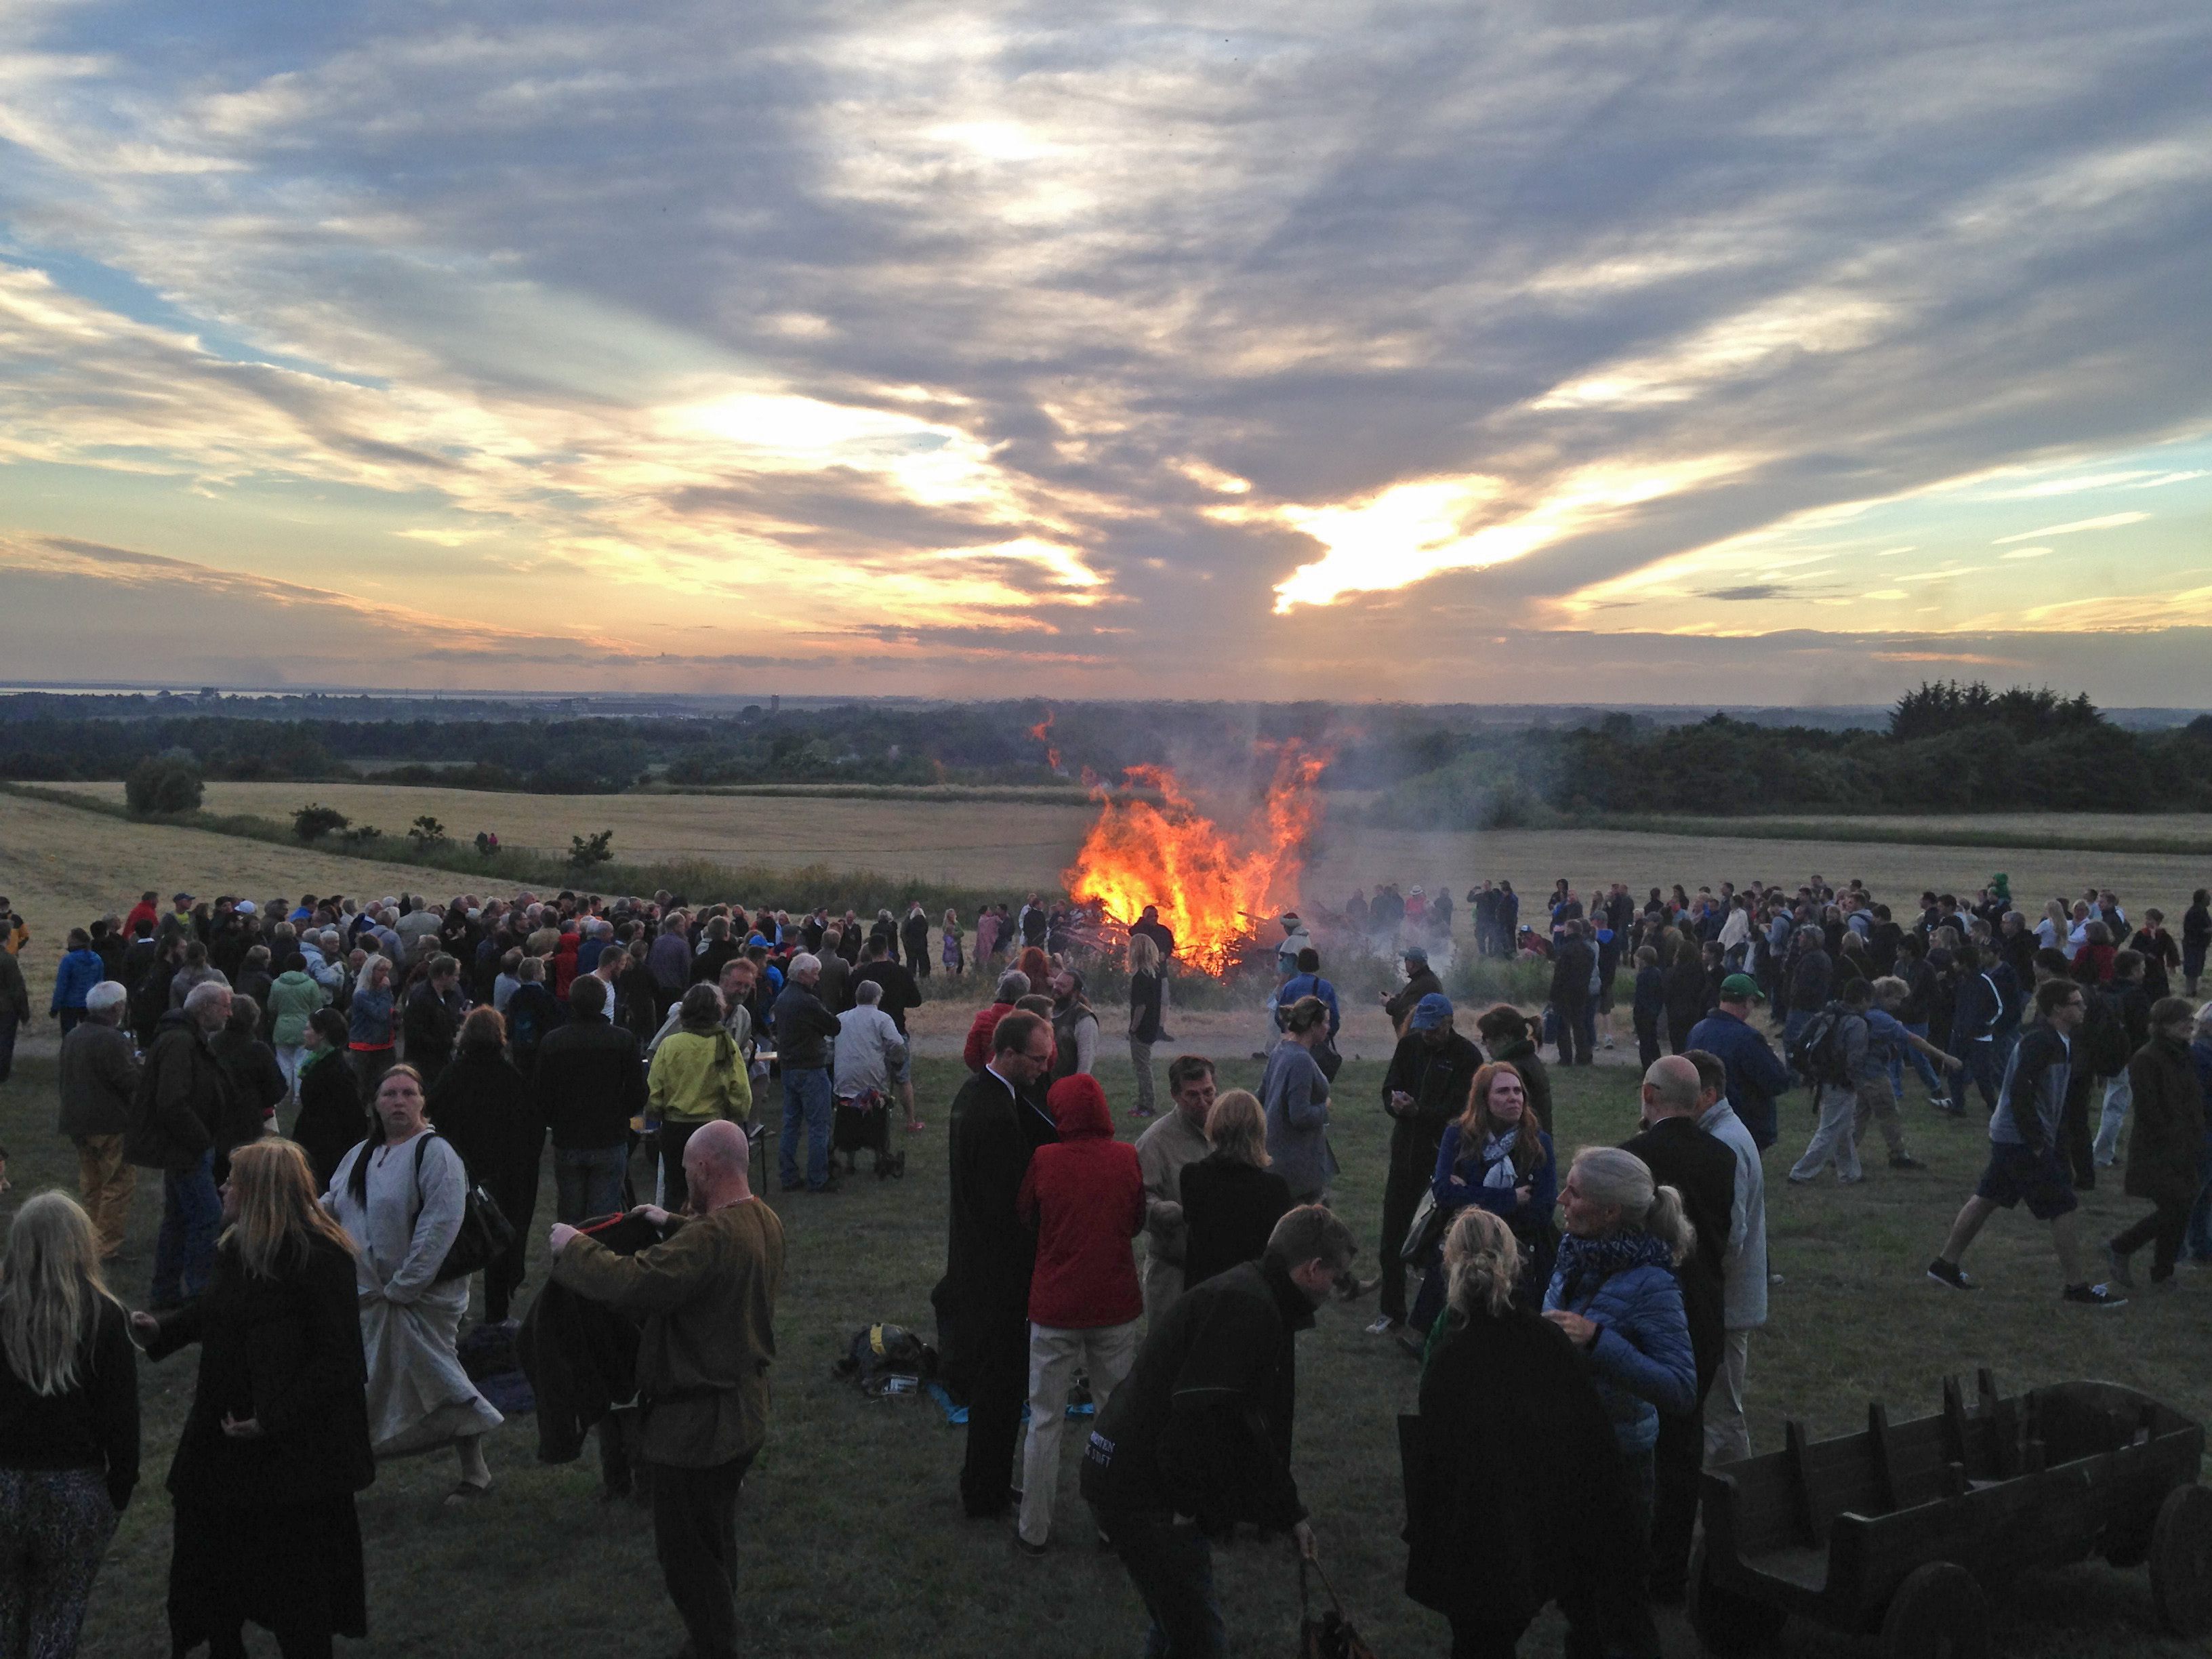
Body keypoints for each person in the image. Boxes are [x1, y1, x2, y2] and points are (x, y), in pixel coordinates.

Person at [549, 1119, 783, 1659]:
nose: (684, 1177)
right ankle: (714, 1630)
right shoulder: (763, 1219)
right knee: (715, 1534)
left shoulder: (709, 1238)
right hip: (743, 1414)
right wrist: (671, 1220)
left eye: (685, 1170)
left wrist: (573, 1248)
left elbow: (636, 1285)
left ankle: (712, 1645)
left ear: (705, 1168)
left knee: (686, 1554)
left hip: (696, 1431)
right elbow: (714, 1252)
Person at [134, 1139, 372, 1659]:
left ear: (261, 1191)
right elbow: (216, 1311)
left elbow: (341, 1362)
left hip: (294, 1462)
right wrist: (163, 1332)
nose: (222, 1186)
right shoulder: (238, 1247)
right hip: (223, 1448)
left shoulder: (320, 1258)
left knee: (297, 1593)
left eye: (233, 1180)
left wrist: (273, 1418)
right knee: (216, 1580)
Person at [1080, 1206, 1349, 1659]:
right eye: (1335, 1278)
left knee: (1176, 1627)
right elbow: (1200, 1417)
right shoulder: (1250, 1308)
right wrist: (1187, 1505)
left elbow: (1244, 1424)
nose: (1335, 1291)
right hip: (1143, 1493)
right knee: (1201, 1642)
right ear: (1312, 1269)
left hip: (1124, 1474)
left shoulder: (1255, 1294)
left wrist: (1289, 1511)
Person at [1401, 1208, 1636, 1659]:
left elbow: (1440, 1462)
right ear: (1514, 1263)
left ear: (1450, 1262)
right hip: (1552, 1523)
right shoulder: (1548, 1341)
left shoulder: (1450, 1358)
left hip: (1485, 1539)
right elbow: (1591, 1441)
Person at [1542, 1146, 1697, 1659]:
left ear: (1611, 1212)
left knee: (1621, 1607)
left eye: (1575, 1192)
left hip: (1620, 1465)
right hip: (1567, 1451)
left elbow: (1680, 1388)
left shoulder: (1652, 1282)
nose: (1562, 1198)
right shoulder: (1573, 1253)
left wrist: (1597, 1340)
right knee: (1577, 1600)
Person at [327, 1066, 503, 1492]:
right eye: (389, 1094)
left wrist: (406, 1287)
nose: (399, 1101)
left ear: (423, 1102)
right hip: (371, 1297)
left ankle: (473, 1472)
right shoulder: (360, 1154)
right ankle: (355, 1461)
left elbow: (439, 1226)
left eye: (409, 1093)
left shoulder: (435, 1153)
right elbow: (333, 1204)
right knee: (372, 1382)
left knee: (441, 1379)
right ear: (375, 1103)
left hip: (421, 1297)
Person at [1926, 979, 2127, 1305]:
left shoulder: (2059, 1040)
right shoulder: (2042, 1042)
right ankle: (2076, 1288)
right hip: (2020, 1140)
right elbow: (2021, 1090)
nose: (2084, 1008)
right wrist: (2036, 1141)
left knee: (1986, 1198)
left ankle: (1944, 1265)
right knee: (2062, 1206)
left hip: (2013, 1137)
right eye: (2077, 1003)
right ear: (2058, 1009)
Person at [0, 1193, 138, 1659]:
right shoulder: (102, 1315)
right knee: (58, 1615)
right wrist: (118, 1490)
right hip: (73, 1485)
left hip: (3, 1482)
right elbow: (121, 1419)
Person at [935, 1010, 1059, 1520]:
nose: (1043, 1069)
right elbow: (1005, 1209)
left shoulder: (978, 1096)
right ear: (1006, 1054)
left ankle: (985, 1481)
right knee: (1001, 1390)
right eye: (1036, 1060)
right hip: (997, 1277)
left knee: (999, 1387)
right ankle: (985, 1493)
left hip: (977, 1265)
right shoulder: (995, 1117)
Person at [1620, 1057, 1735, 1605]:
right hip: (1705, 1310)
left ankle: (1629, 1560)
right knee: (1685, 1445)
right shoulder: (1722, 1157)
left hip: (1649, 1313)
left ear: (1648, 1093)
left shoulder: (1633, 1157)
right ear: (1699, 1100)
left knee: (1639, 1438)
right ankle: (1670, 1573)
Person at [1014, 1073, 1145, 1555]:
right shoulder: (1126, 1158)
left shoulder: (1045, 1159)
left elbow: (1025, 1214)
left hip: (1055, 1305)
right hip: (1113, 1304)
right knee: (1114, 1418)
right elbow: (1136, 1221)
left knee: (1045, 1418)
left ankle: (1034, 1528)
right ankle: (1115, 1523)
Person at [1414, 1061, 1556, 1334]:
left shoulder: (1538, 1142)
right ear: (1484, 1099)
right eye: (1503, 1091)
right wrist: (1511, 1198)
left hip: (1518, 1240)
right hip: (1465, 1237)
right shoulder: (1457, 1135)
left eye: (1518, 1091)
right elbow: (1443, 1194)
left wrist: (1468, 1193)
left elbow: (1542, 1210)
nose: (1513, 1098)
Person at [1375, 993, 1483, 1335]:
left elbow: (1463, 1110)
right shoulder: (1409, 1047)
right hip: (1404, 1155)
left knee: (1442, 1242)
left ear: (1449, 1021)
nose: (1428, 1035)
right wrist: (1396, 1103)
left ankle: (1443, 1315)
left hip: (1443, 1161)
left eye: (1434, 1029)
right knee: (1392, 1235)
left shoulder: (1467, 1057)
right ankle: (1390, 1311)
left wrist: (1421, 1112)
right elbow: (1390, 1085)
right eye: (1423, 1028)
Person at [426, 1007, 541, 1325]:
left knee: (452, 1239)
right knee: (498, 1242)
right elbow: (528, 1131)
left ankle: (454, 1311)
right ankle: (496, 1313)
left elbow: (431, 1116)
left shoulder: (453, 1075)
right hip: (500, 1174)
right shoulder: (510, 1078)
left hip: (459, 1169)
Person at [128, 981, 234, 1309]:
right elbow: (171, 1101)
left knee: (178, 1219)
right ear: (205, 1009)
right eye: (224, 1006)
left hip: (186, 1145)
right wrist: (202, 1140)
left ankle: (165, 1292)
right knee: (207, 1217)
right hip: (185, 1148)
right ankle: (200, 1294)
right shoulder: (180, 1041)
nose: (229, 1013)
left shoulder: (186, 1038)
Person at [1683, 1050, 1767, 1464]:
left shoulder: (1723, 1142)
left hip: (1725, 1301)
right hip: (1726, 1298)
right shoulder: (1726, 1132)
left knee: (1722, 1413)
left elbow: (1730, 1236)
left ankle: (1736, 1502)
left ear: (1708, 1094)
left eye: (1685, 1093)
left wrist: (1703, 1285)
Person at [2104, 997, 2206, 1290]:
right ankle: (2122, 1246)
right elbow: (2150, 1110)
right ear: (2161, 1026)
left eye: (2191, 1019)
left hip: (2186, 1144)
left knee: (2181, 1207)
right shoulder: (2147, 1058)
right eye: (2181, 1020)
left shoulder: (2184, 1054)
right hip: (2160, 1148)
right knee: (2178, 1206)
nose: (2189, 1024)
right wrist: (2174, 1139)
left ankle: (2162, 1273)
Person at [535, 976, 649, 1223]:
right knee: (603, 1218)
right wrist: (624, 1117)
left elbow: (542, 1094)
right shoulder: (622, 1040)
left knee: (570, 1215)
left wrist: (556, 1119)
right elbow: (637, 1093)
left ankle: (570, 1259)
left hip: (569, 1137)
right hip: (610, 1136)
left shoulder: (554, 1041)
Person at [58, 981, 140, 1261]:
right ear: (117, 1007)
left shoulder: (74, 1035)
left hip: (77, 1121)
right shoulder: (114, 1039)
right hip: (110, 1122)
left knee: (91, 1185)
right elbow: (128, 1081)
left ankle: (88, 1239)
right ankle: (105, 1247)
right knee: (117, 1185)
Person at [1179, 1089, 1293, 1290]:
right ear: (1259, 1130)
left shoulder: (1193, 1177)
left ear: (1215, 1125)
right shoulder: (1275, 1189)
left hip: (1205, 1294)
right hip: (1252, 1294)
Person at [1133, 1056, 1217, 1328]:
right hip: (1173, 1270)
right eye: (1192, 1095)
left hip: (1219, 1267)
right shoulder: (1154, 1142)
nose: (1203, 1102)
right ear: (1174, 1095)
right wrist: (1162, 1211)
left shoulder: (1227, 1130)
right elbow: (1137, 1202)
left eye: (1208, 1093)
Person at [651, 985, 750, 1214]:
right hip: (712, 1128)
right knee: (714, 1192)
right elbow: (740, 1092)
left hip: (675, 1127)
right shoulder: (725, 1045)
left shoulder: (669, 1045)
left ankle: (674, 1238)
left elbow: (655, 1089)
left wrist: (655, 1114)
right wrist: (735, 1116)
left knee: (675, 1189)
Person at [1685, 975, 1790, 1149]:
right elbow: (1777, 1081)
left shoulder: (1697, 1030)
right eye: (1753, 1002)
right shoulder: (1747, 1038)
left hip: (1701, 1120)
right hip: (1742, 1125)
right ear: (1746, 1002)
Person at [770, 953, 842, 1193]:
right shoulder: (807, 1001)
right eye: (815, 973)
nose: (817, 978)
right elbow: (834, 1026)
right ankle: (817, 1177)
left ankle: (788, 1175)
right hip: (811, 1067)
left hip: (789, 1067)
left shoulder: (782, 999)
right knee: (818, 1125)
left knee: (791, 1123)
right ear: (802, 975)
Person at [1261, 996, 1335, 1204]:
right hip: (1298, 1163)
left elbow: (1261, 1095)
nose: (1328, 1028)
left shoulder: (1281, 1050)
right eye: (1326, 1022)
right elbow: (1300, 1115)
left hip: (1275, 1153)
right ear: (1313, 1026)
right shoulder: (1301, 1060)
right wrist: (1324, 1108)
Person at [291, 1008, 365, 1197]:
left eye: (308, 1029)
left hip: (327, 1151)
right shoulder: (318, 1063)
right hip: (316, 1144)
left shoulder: (336, 1070)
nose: (304, 1033)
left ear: (322, 1033)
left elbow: (353, 1116)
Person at [1475, 1006, 1552, 1132]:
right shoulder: (1529, 1059)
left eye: (1485, 1038)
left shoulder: (1510, 1071)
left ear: (1505, 1039)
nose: (1485, 1044)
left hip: (1522, 1142)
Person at [401, 954, 465, 1088]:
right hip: (425, 1065)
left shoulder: (448, 994)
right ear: (444, 975)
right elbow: (416, 1035)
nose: (457, 979)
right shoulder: (421, 998)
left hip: (441, 1060)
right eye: (455, 975)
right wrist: (449, 1042)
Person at [346, 955, 396, 1095]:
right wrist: (386, 992)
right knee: (361, 1088)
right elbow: (380, 1014)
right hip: (364, 1046)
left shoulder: (382, 992)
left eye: (387, 971)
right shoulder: (362, 994)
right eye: (381, 970)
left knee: (383, 1087)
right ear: (370, 971)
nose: (385, 975)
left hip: (384, 1044)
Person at [1127, 933, 1165, 1118]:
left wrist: (1133, 1028)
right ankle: (1143, 1102)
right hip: (1152, 1025)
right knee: (1143, 1066)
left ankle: (1147, 1105)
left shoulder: (1140, 977)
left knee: (1142, 1067)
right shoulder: (1155, 973)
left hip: (1142, 1028)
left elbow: (1140, 1006)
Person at [1549, 922, 1597, 1066]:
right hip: (1582, 992)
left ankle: (1566, 1057)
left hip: (1564, 993)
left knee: (1563, 1027)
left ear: (1570, 930)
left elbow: (1559, 976)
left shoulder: (1565, 950)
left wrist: (1553, 994)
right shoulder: (1588, 950)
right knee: (1579, 1025)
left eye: (1566, 928)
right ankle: (1584, 1056)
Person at [48, 929, 102, 1039]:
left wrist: (55, 1007)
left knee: (69, 1037)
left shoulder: (68, 960)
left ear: (74, 940)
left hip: (69, 1005)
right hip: (90, 1003)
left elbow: (61, 986)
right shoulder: (97, 959)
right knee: (89, 1037)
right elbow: (100, 983)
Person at [1048, 968, 1100, 1081]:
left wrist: (1078, 1084)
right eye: (1056, 983)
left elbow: (1086, 1059)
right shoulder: (1046, 1011)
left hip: (1067, 1085)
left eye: (1062, 985)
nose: (1056, 988)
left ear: (1075, 992)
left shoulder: (1085, 1019)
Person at [1382, 945, 1443, 1039]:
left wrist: (1388, 1003)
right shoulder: (1424, 980)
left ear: (1412, 964)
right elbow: (1408, 999)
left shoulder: (1424, 983)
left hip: (1418, 1039)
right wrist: (1394, 998)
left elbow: (1403, 1010)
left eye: (1406, 959)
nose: (1405, 962)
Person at [0, 941, 26, 1088]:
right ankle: (2, 1072)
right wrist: (24, 1012)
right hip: (5, 1007)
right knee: (5, 1040)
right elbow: (17, 988)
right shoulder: (8, 960)